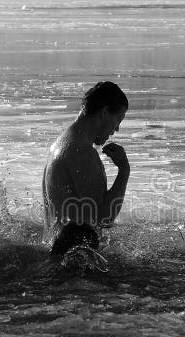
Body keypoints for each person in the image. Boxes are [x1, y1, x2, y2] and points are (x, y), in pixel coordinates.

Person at [42, 81, 129, 261]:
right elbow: (104, 219)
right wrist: (124, 170)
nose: (117, 129)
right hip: (73, 259)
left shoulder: (60, 143)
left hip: (55, 249)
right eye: (118, 120)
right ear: (105, 112)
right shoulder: (82, 152)